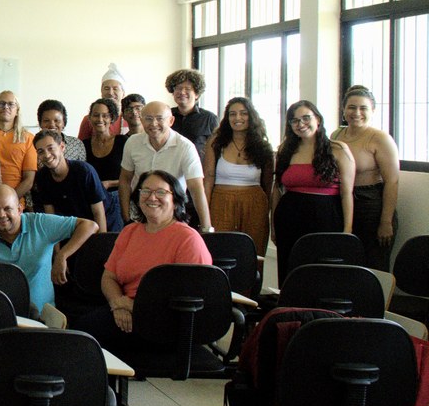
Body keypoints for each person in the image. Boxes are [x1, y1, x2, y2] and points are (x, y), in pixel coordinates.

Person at [71, 171, 213, 355]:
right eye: (145, 191)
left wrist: (133, 306)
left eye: (161, 192)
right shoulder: (130, 231)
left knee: (83, 339)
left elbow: (190, 296)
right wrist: (117, 305)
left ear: (176, 200)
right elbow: (109, 277)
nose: (152, 197)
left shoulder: (188, 238)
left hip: (164, 322)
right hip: (125, 312)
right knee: (77, 328)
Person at [0, 184, 98, 309]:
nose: (1, 215)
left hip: (41, 317)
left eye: (7, 208)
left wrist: (62, 255)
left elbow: (89, 225)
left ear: (19, 209)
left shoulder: (39, 223)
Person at [272, 100, 355, 281]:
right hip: (288, 219)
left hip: (325, 218)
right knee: (290, 271)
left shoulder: (338, 149)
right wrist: (273, 226)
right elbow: (277, 190)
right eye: (294, 121)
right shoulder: (285, 150)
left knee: (320, 272)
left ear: (317, 118)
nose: (300, 124)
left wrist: (347, 230)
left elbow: (346, 193)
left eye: (306, 118)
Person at [331, 85, 400, 271]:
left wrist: (385, 222)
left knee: (373, 265)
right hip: (342, 203)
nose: (357, 113)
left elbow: (392, 181)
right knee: (346, 262)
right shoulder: (336, 135)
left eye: (363, 108)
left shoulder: (379, 138)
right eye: (352, 107)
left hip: (371, 206)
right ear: (344, 109)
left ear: (373, 111)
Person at [119, 101, 212, 232]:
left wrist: (207, 228)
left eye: (159, 118)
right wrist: (126, 217)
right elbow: (125, 180)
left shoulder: (185, 147)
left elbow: (196, 189)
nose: (153, 124)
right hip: (140, 213)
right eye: (148, 119)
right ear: (141, 120)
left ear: (171, 120)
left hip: (172, 215)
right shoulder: (132, 143)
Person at [203, 97, 274, 260]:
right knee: (221, 251)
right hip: (221, 202)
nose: (237, 118)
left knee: (252, 253)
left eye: (243, 113)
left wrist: (266, 212)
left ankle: (251, 286)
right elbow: (208, 178)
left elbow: (268, 185)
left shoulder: (263, 147)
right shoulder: (216, 142)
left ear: (251, 116)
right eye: (232, 114)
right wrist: (205, 212)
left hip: (254, 203)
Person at [33, 130, 108, 233]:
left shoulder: (84, 171)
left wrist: (100, 246)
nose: (46, 155)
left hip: (104, 219)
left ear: (62, 147)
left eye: (51, 148)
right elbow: (51, 218)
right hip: (75, 222)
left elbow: (98, 213)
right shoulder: (42, 177)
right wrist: (55, 249)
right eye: (41, 151)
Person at [0, 90, 38, 208]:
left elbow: (28, 180)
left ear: (17, 111)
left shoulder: (28, 138)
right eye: (1, 104)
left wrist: (8, 201)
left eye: (11, 104)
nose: (6, 107)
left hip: (14, 202)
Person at [83, 98, 127, 232]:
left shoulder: (123, 142)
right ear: (90, 118)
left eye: (105, 115)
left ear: (112, 118)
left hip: (116, 200)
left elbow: (135, 176)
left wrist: (109, 184)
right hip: (91, 202)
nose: (100, 119)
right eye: (96, 115)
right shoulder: (83, 145)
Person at [166, 68, 218, 159]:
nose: (182, 92)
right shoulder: (166, 115)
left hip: (198, 169)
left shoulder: (209, 118)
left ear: (197, 94)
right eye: (178, 88)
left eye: (187, 89)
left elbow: (217, 147)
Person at [77, 63, 129, 140]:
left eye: (115, 89)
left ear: (123, 93)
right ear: (101, 92)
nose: (110, 93)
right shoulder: (88, 120)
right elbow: (81, 147)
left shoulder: (129, 118)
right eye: (107, 88)